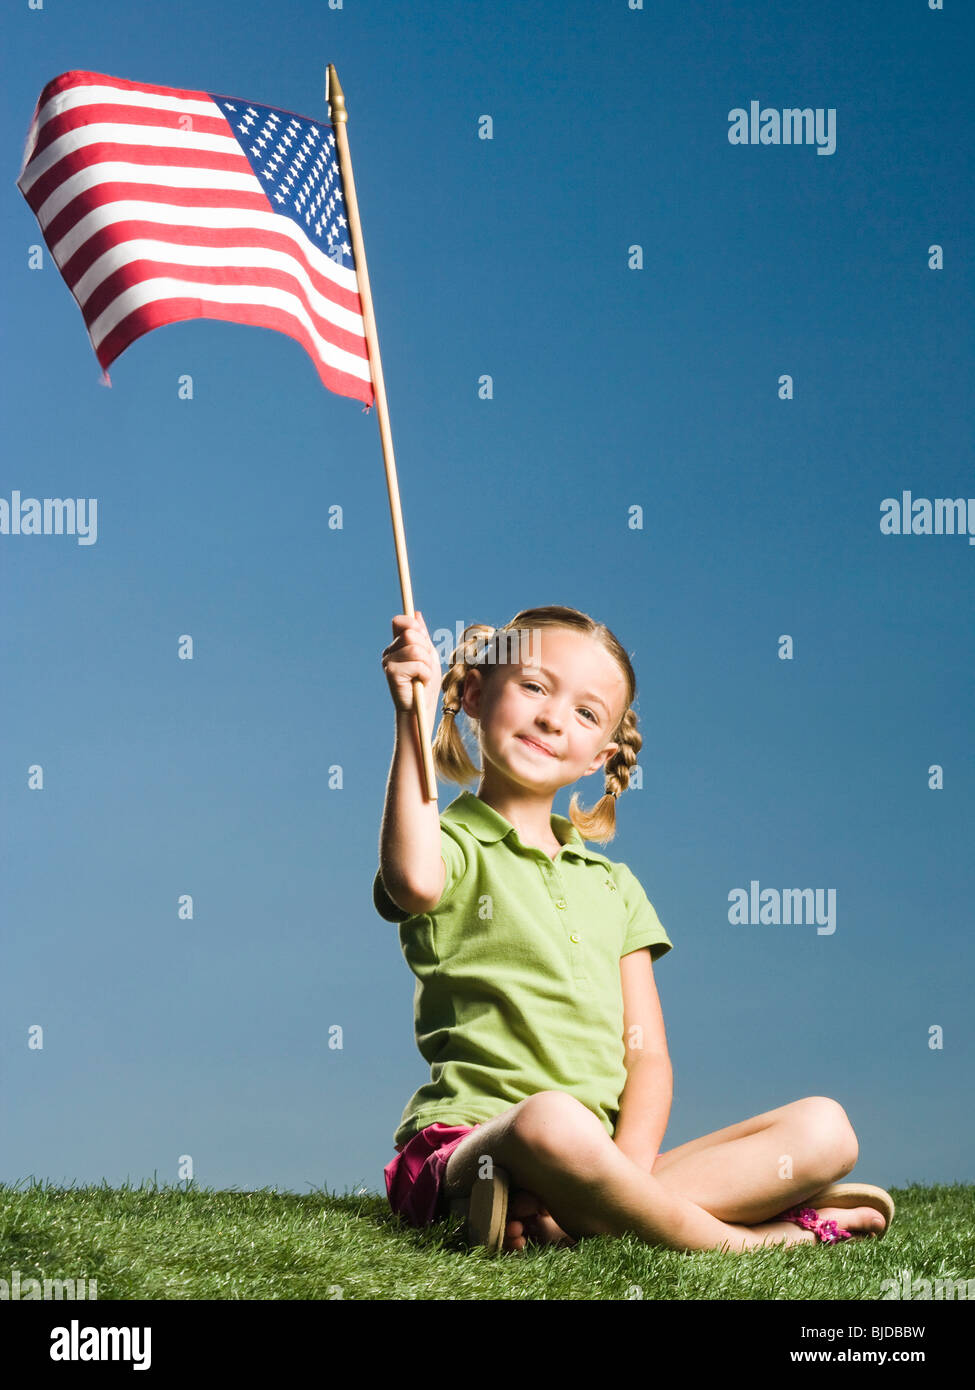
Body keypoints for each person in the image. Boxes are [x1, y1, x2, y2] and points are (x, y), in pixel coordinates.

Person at [373, 605, 894, 1255]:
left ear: (602, 757)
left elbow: (645, 1054)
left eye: (586, 713)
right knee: (548, 1120)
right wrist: (411, 720)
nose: (552, 717)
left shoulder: (615, 886)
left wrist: (622, 1171)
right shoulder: (447, 842)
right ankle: (752, 1241)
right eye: (534, 686)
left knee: (826, 1128)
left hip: (593, 1161)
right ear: (475, 694)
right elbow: (413, 882)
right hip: (471, 1149)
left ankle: (572, 1216)